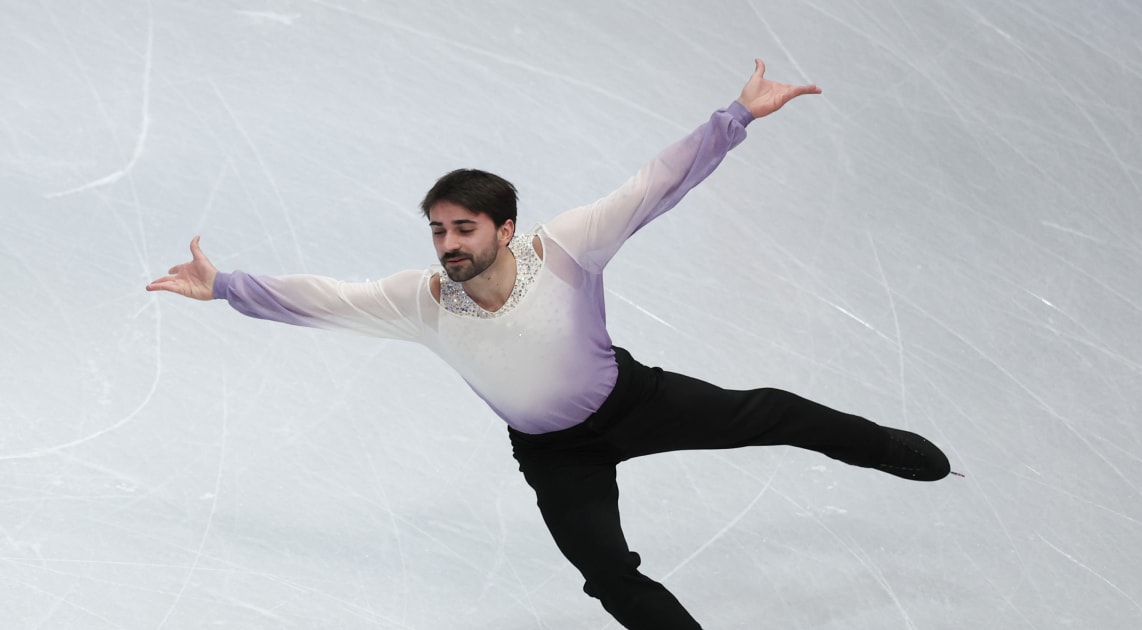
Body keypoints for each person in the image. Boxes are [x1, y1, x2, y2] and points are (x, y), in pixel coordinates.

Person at [147, 59, 951, 630]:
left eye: (463, 228)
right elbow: (322, 299)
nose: (448, 243)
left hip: (637, 402)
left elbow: (655, 184)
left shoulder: (563, 249)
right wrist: (223, 286)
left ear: (504, 227)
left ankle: (883, 447)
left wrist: (735, 117)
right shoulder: (422, 302)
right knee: (607, 575)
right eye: (437, 230)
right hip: (554, 452)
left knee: (771, 411)